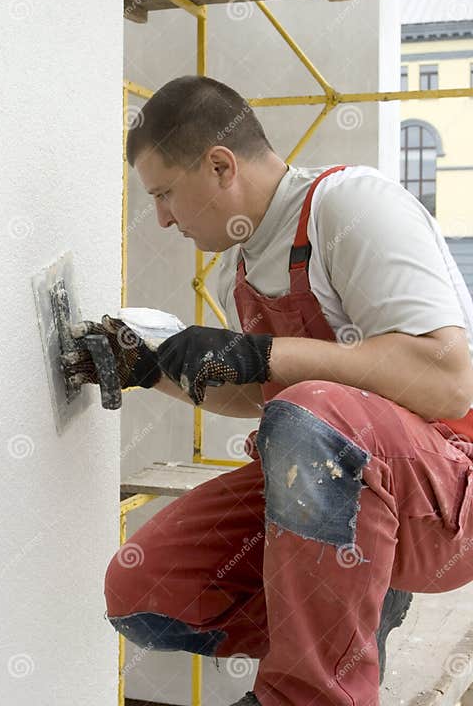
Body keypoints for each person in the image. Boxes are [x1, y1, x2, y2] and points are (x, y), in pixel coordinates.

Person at [69, 76, 473, 705]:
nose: (163, 217)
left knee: (311, 411)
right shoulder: (242, 261)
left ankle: (306, 692)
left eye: (166, 193)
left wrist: (257, 353)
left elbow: (448, 382)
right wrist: (152, 372)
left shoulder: (350, 205)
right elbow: (270, 395)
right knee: (142, 590)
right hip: (341, 471)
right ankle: (347, 618)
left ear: (221, 164)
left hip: (448, 489)